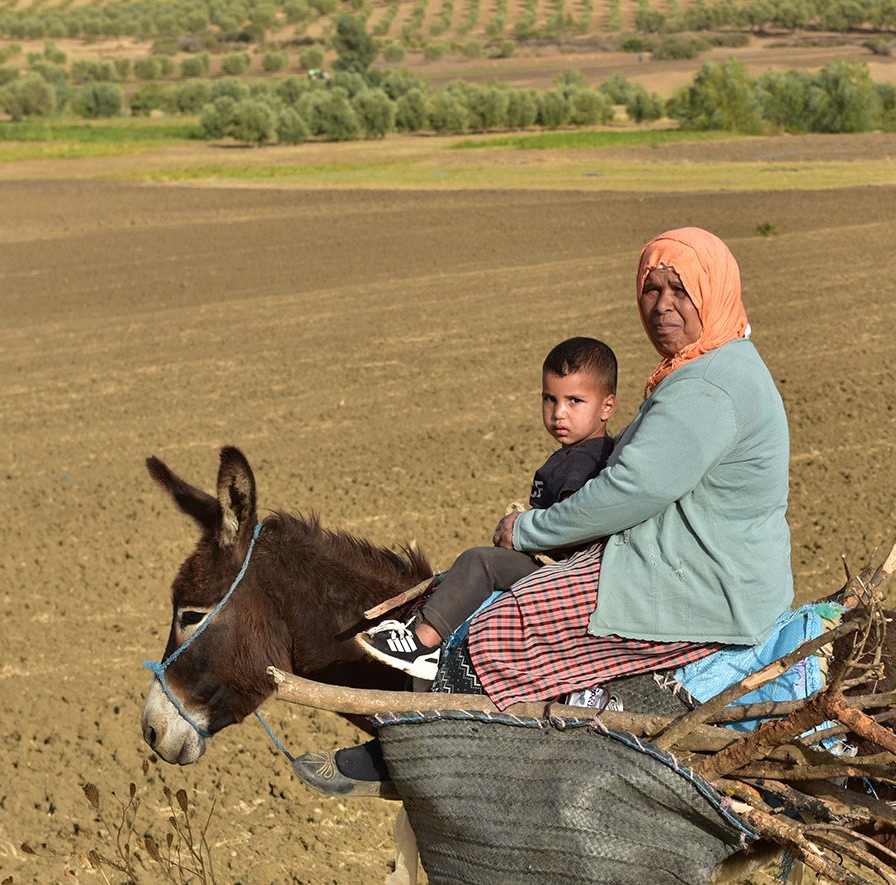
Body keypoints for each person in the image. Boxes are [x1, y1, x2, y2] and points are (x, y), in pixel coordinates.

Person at [294, 227, 791, 796]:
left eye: (681, 289)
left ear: (715, 292)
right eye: (651, 290)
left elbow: (632, 488)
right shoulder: (712, 365)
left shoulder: (709, 385)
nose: (662, 306)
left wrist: (530, 529)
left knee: (498, 628)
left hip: (694, 584)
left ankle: (419, 758)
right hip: (697, 565)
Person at [358, 337, 621, 681]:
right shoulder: (574, 455)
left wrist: (522, 532)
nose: (559, 413)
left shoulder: (584, 461)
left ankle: (423, 643)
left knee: (479, 561)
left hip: (565, 574)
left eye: (575, 401)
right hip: (556, 564)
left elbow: (575, 525)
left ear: (607, 406)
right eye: (550, 399)